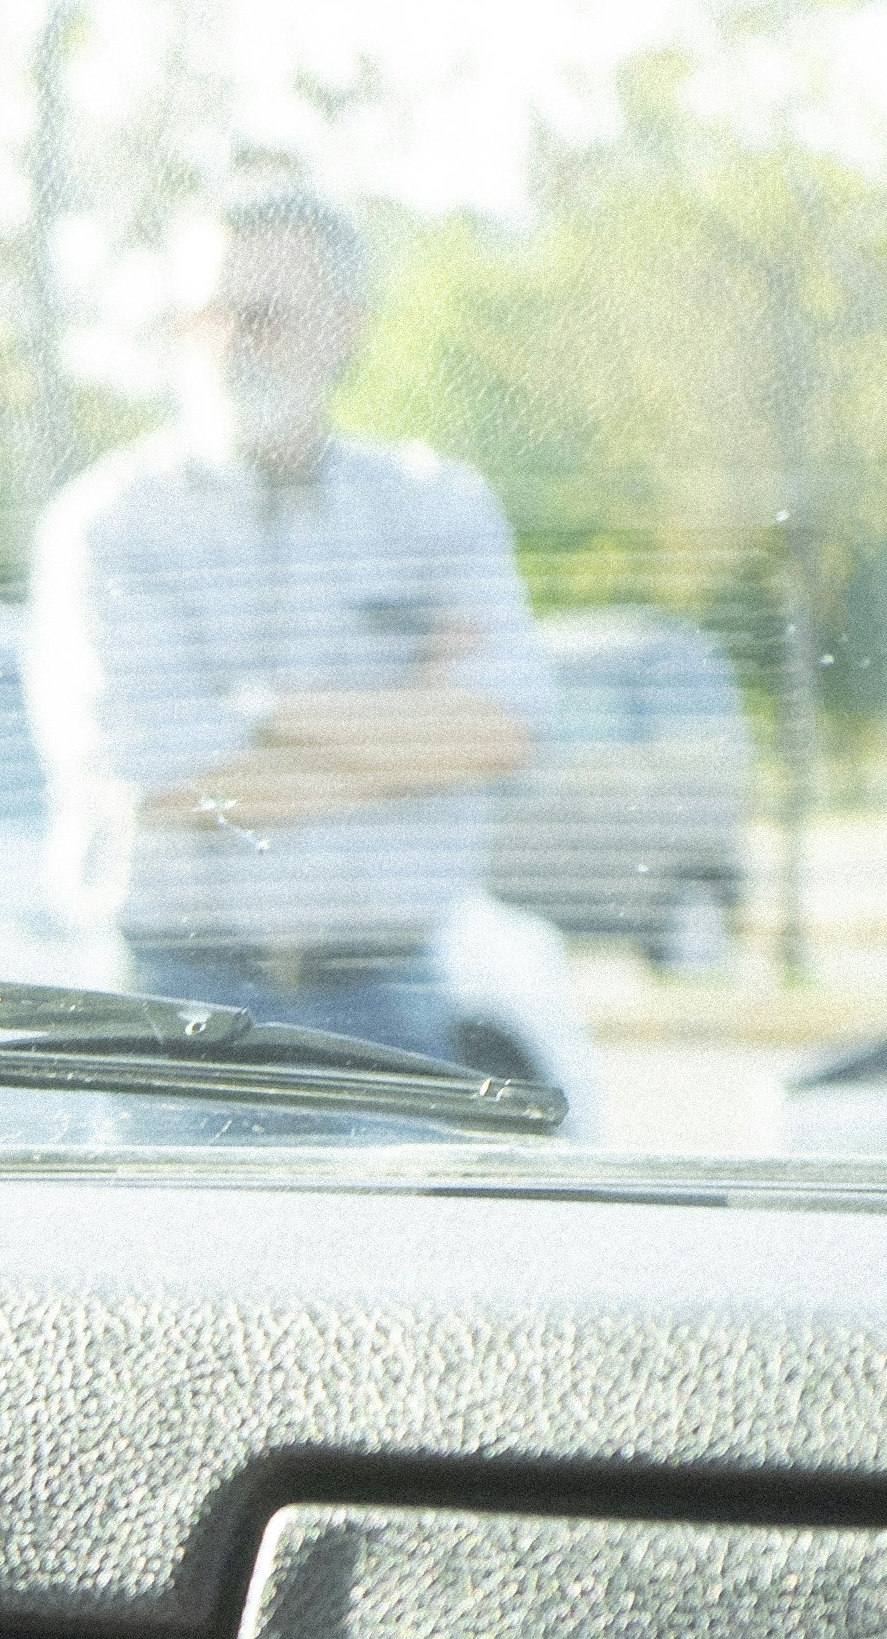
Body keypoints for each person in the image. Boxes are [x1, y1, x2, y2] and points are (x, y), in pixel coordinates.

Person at [27, 177, 547, 1061]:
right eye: (204, 316)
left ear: (345, 327)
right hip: (165, 1008)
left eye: (264, 314)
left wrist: (261, 712)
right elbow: (152, 774)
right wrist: (410, 748)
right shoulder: (108, 525)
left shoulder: (435, 510)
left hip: (388, 1003)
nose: (230, 343)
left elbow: (503, 727)